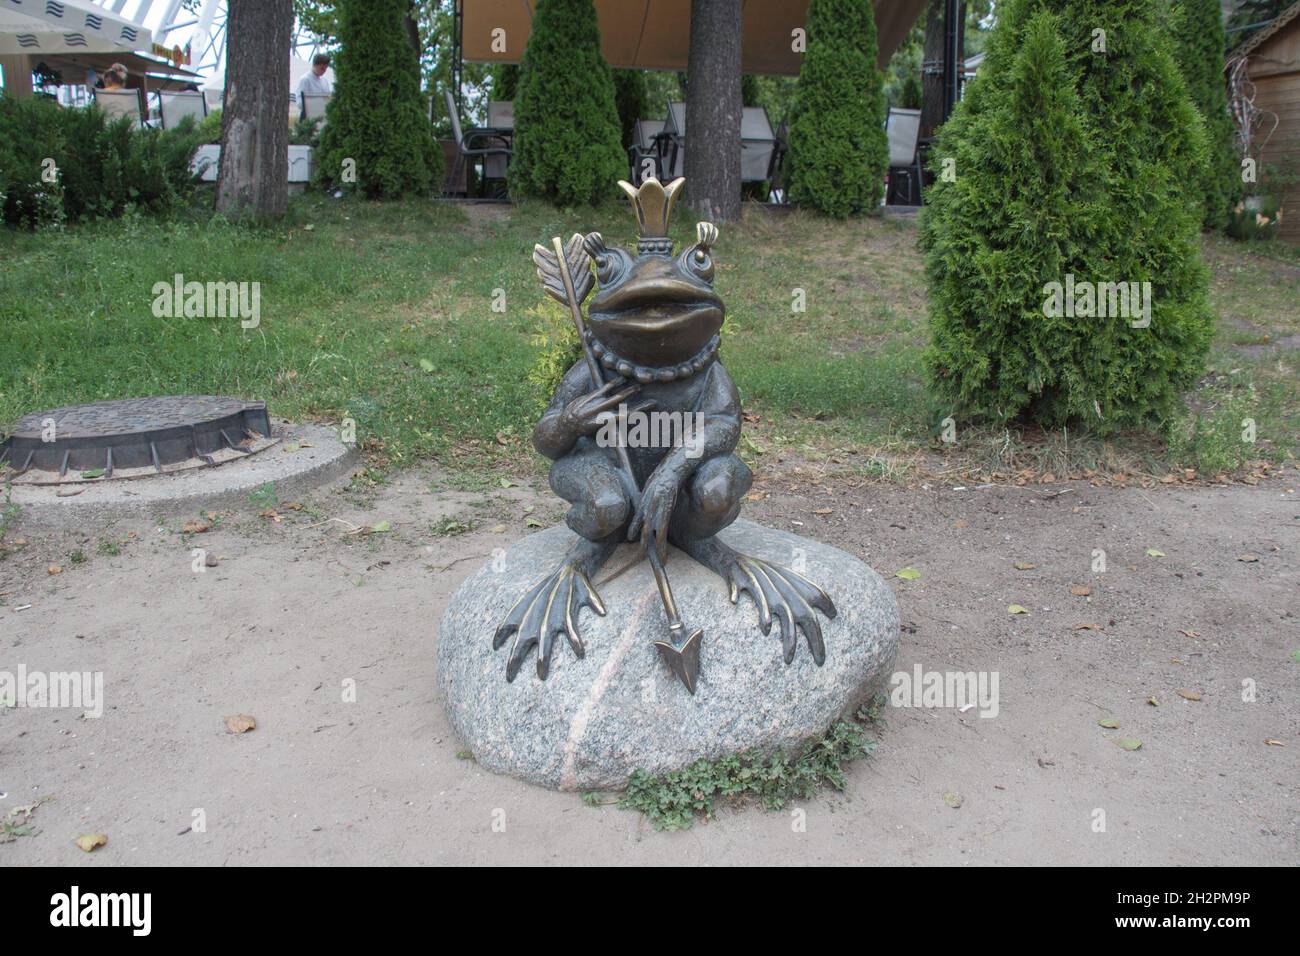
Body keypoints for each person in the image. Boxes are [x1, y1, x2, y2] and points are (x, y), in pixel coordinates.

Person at [297, 53, 332, 118]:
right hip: (308, 117)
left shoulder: (325, 81)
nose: (324, 71)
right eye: (322, 68)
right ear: (314, 65)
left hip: (322, 116)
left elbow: (328, 98)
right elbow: (299, 102)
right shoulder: (305, 79)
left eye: (326, 68)